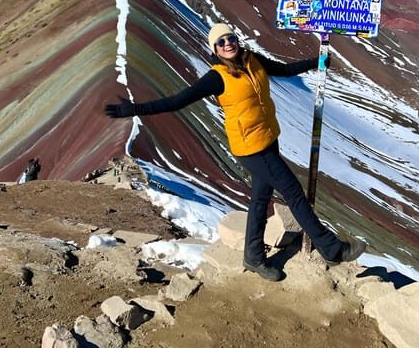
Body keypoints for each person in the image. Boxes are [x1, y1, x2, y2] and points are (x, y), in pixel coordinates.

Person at [104, 22, 366, 281]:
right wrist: (133, 109)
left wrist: (315, 62)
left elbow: (284, 70)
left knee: (260, 199)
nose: (227, 43)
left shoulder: (252, 60)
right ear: (215, 50)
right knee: (293, 192)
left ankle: (253, 257)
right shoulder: (217, 77)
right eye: (221, 42)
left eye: (230, 38)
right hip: (250, 148)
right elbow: (177, 101)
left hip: (268, 139)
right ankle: (332, 249)